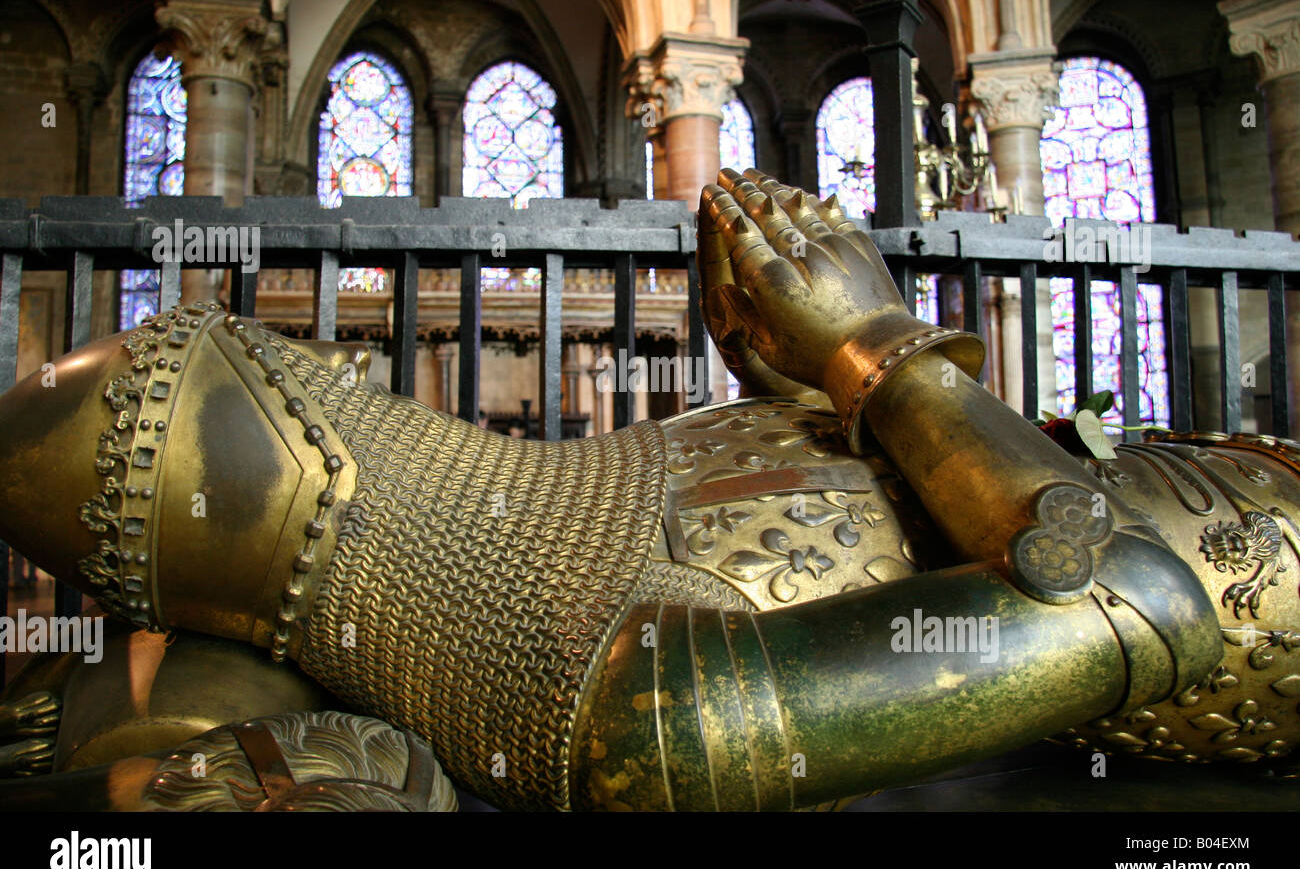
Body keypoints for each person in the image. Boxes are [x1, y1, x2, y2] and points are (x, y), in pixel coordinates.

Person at [0, 169, 1293, 811]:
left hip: (621, 622)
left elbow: (1129, 604)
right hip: (599, 564)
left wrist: (876, 346)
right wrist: (799, 366)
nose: (324, 355)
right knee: (199, 687)